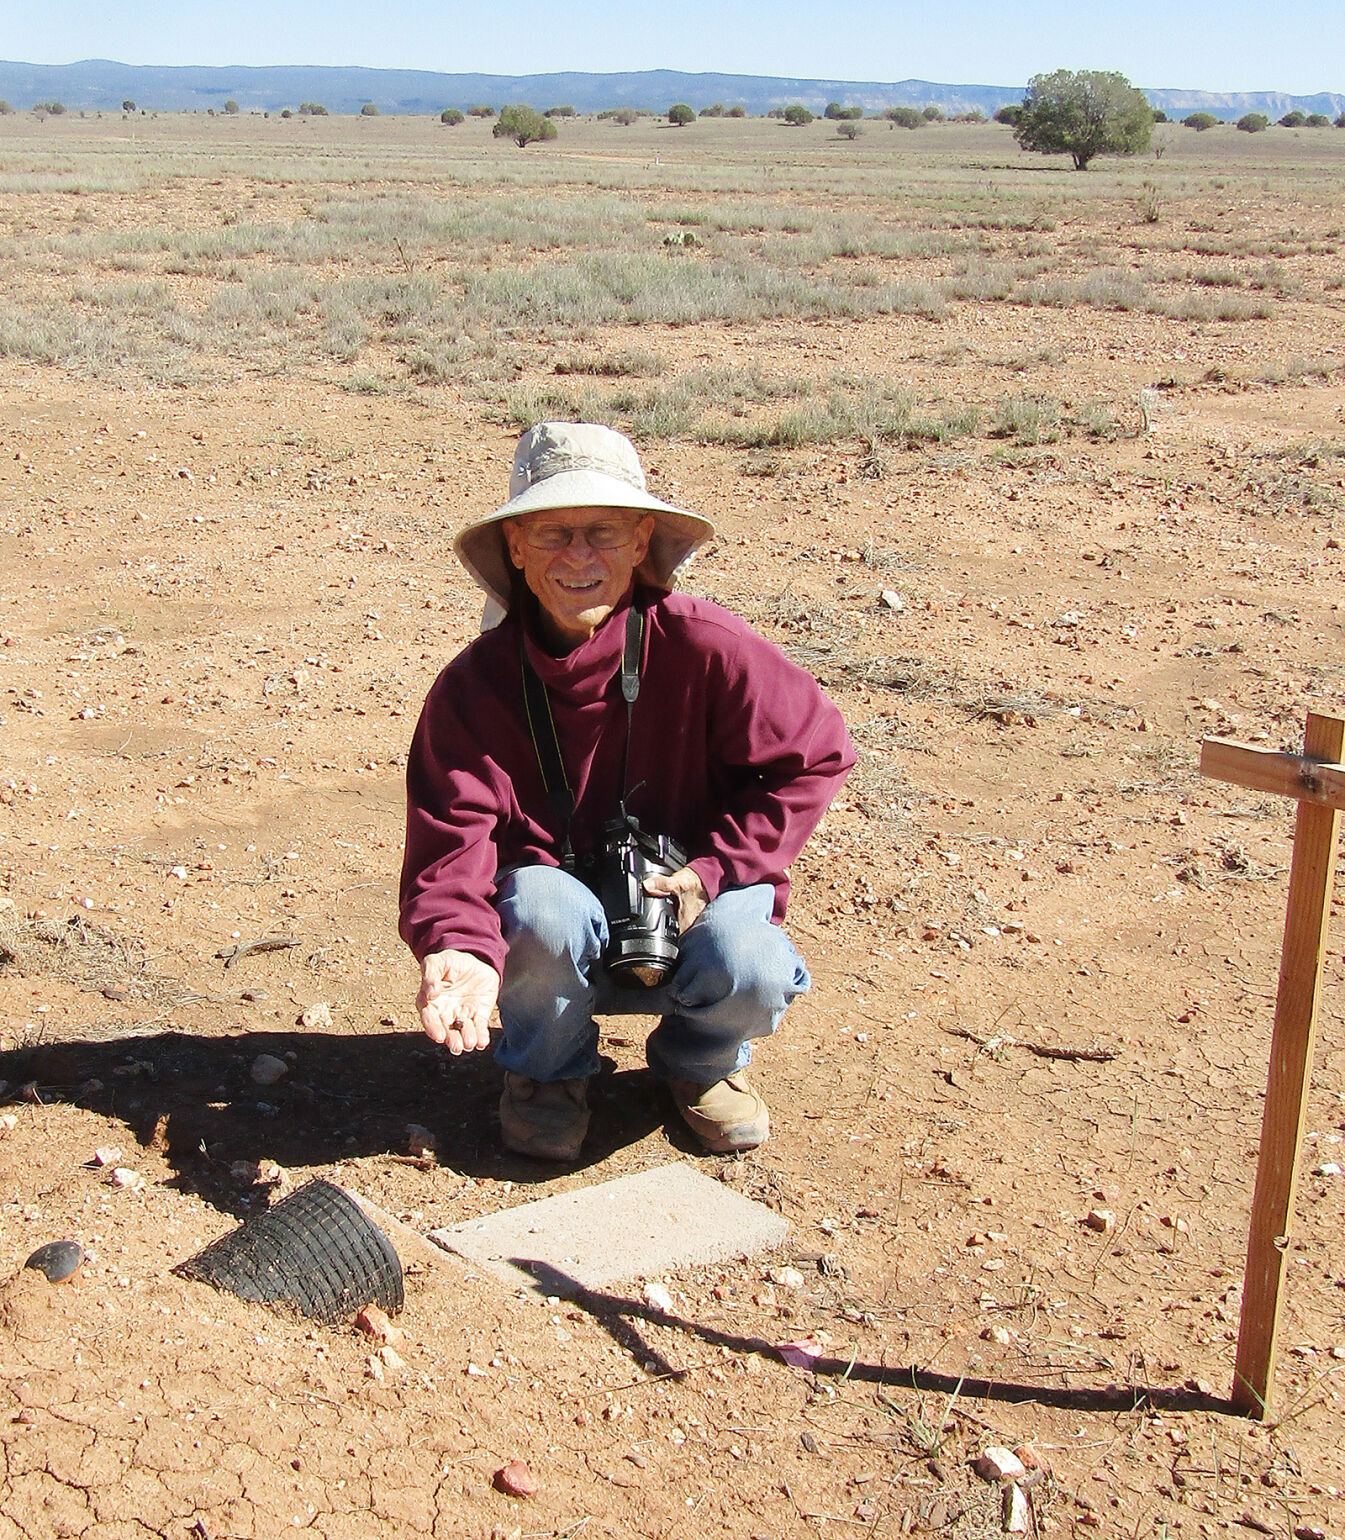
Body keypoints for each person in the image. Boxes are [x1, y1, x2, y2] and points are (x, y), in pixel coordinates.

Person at [399, 422, 854, 1162]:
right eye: (552, 534)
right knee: (543, 912)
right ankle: (546, 1074)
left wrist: (715, 868)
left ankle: (701, 1063)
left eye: (603, 532)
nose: (579, 556)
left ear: (642, 542)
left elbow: (816, 755)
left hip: (694, 886)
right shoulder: (473, 687)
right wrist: (457, 943)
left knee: (751, 958)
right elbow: (451, 837)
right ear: (514, 547)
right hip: (556, 905)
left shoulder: (708, 646)